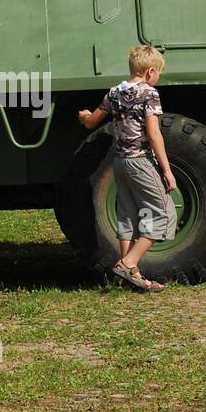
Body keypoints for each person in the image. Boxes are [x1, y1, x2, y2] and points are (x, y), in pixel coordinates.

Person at [77, 45, 177, 293]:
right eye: (159, 74)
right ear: (150, 72)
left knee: (127, 215)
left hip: (119, 162)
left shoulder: (114, 92)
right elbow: (153, 134)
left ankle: (132, 275)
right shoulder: (149, 94)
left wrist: (84, 115)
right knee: (163, 215)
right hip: (141, 161)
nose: (158, 79)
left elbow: (91, 122)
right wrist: (166, 169)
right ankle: (129, 262)